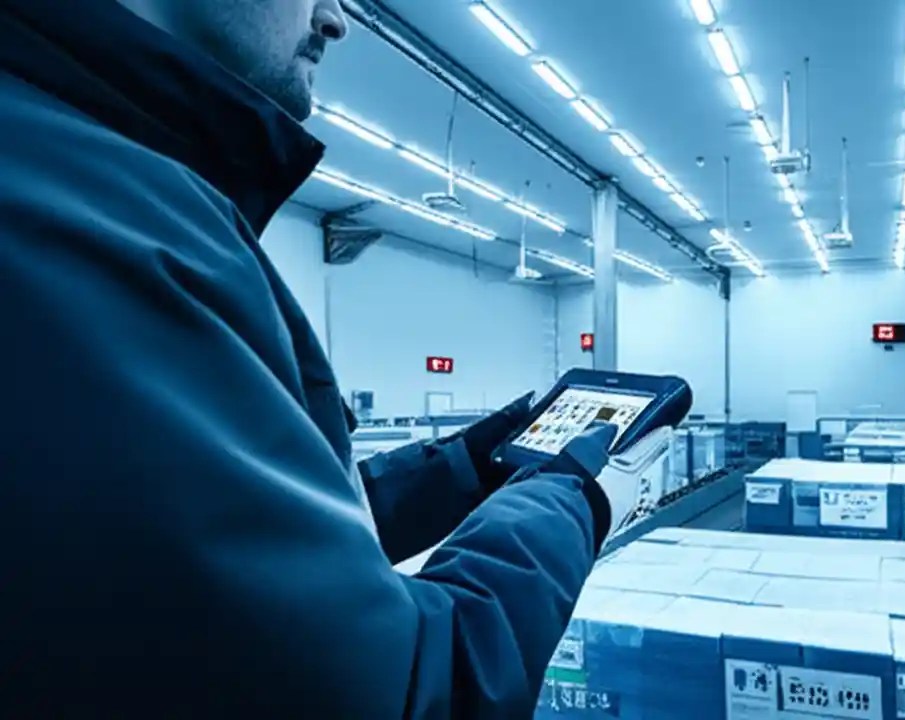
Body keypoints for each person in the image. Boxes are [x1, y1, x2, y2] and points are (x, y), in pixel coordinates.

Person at [0, 0, 631, 716]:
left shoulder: (80, 169)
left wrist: (466, 469)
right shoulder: (102, 224)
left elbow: (233, 546)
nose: (336, 20)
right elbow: (406, 692)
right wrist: (564, 492)